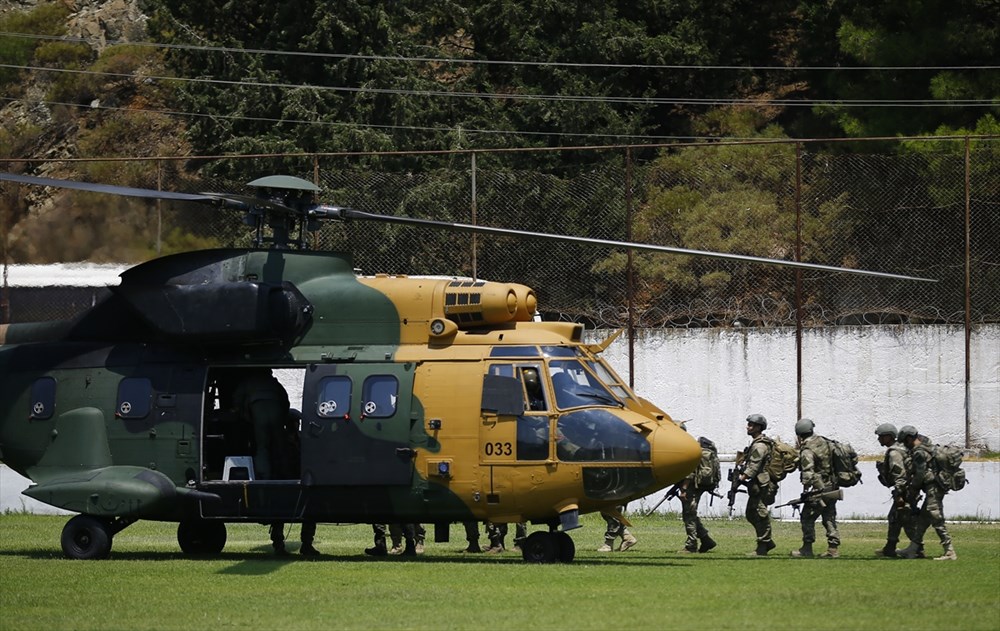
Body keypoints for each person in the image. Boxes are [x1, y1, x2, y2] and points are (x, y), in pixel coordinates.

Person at [897, 425, 957, 561]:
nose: (905, 446)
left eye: (905, 442)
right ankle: (913, 549)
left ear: (908, 439)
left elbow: (920, 474)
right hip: (936, 486)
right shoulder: (928, 445)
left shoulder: (919, 452)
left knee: (935, 515)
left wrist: (913, 489)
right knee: (923, 519)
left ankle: (949, 551)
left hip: (933, 487)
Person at [269, 410, 320, 557]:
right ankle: (278, 544)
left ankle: (307, 544)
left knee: (309, 514)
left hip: (298, 479)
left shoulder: (300, 438)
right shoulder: (280, 441)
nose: (296, 425)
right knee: (279, 516)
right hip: (283, 480)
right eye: (294, 422)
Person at [789, 419, 840, 558]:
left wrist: (806, 490)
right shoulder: (825, 442)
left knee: (807, 517)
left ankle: (807, 548)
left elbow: (808, 471)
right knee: (829, 517)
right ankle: (833, 549)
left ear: (799, 434)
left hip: (819, 489)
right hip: (832, 486)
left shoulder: (807, 449)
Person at [231, 368, 290, 480]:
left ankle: (264, 475)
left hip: (258, 411)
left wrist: (239, 411)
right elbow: (285, 400)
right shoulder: (274, 383)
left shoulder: (248, 382)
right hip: (276, 411)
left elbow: (237, 398)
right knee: (280, 446)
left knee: (262, 446)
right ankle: (285, 474)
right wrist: (283, 418)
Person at [874, 423, 917, 558]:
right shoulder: (901, 449)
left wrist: (899, 495)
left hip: (904, 491)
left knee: (905, 518)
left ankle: (918, 548)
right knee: (895, 518)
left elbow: (900, 475)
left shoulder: (894, 453)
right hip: (907, 489)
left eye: (881, 436)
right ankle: (890, 548)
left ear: (889, 437)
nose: (879, 439)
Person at [739, 413, 778, 556]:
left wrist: (743, 477)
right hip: (758, 485)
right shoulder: (756, 443)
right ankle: (767, 542)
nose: (747, 427)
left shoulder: (760, 445)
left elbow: (754, 466)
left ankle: (763, 545)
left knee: (760, 513)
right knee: (751, 513)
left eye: (751, 425)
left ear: (758, 427)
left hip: (763, 485)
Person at [676, 436, 718, 554]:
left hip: (692, 486)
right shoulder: (702, 450)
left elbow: (690, 472)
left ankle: (691, 545)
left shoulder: (691, 450)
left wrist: (683, 489)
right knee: (691, 514)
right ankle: (706, 540)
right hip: (700, 485)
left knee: (689, 515)